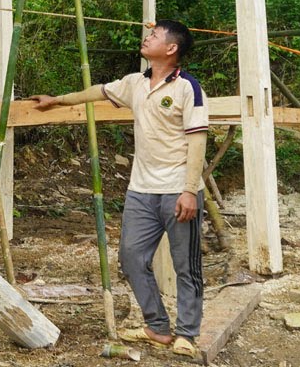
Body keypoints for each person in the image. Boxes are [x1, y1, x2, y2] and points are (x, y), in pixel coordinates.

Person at [31, 19, 207, 358]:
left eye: (154, 36)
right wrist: (57, 100)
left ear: (171, 49)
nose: (147, 37)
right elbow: (98, 91)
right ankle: (157, 327)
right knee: (130, 257)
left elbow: (197, 140)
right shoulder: (135, 83)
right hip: (141, 189)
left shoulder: (188, 88)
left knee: (186, 264)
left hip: (177, 189)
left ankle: (187, 332)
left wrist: (189, 190)